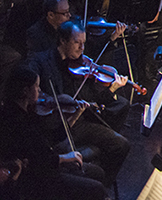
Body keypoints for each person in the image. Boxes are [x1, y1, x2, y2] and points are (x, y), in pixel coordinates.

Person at [26, 21, 132, 186]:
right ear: (62, 40)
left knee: (122, 144)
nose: (82, 48)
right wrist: (52, 99)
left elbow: (91, 96)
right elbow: (30, 88)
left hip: (80, 121)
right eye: (77, 42)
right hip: (55, 124)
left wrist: (110, 90)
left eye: (83, 43)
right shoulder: (40, 61)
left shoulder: (81, 63)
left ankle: (104, 186)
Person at [0, 65, 107, 200]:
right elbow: (39, 159)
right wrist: (65, 158)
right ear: (25, 91)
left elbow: (50, 138)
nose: (39, 90)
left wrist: (75, 115)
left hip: (45, 165)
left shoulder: (28, 111)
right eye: (36, 86)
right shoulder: (15, 120)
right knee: (96, 188)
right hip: (34, 178)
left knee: (97, 172)